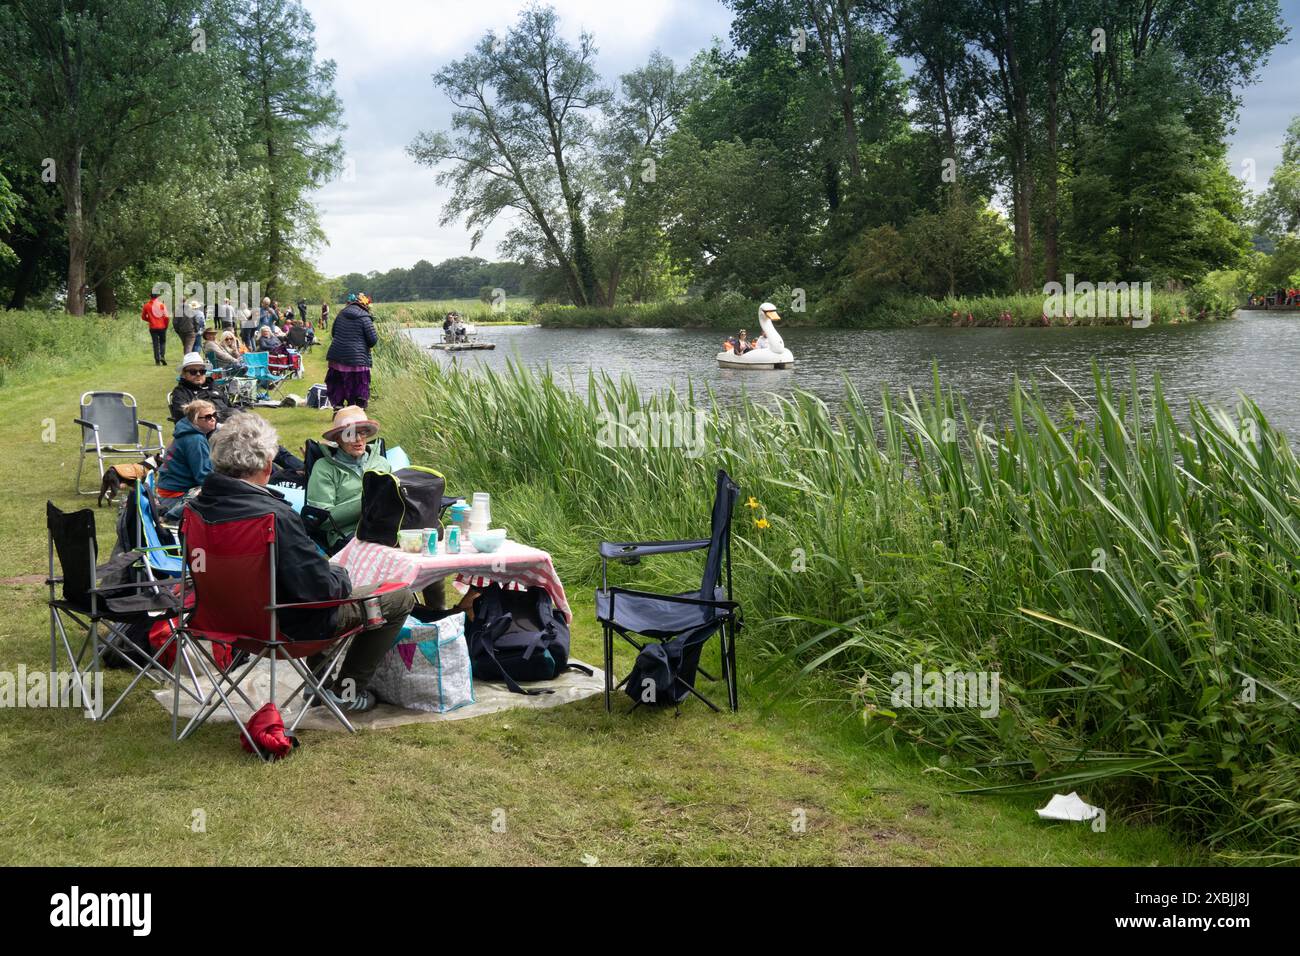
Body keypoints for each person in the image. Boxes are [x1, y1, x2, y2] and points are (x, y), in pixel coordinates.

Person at [190, 413, 415, 713]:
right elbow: (319, 591)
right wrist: (340, 575)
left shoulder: (196, 510)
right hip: (284, 629)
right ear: (269, 466)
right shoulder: (274, 517)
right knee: (399, 597)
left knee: (325, 591)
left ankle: (319, 686)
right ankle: (346, 691)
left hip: (224, 622)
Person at [306, 406, 391, 552]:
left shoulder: (381, 463)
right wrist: (367, 503)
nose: (358, 439)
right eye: (350, 434)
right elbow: (321, 519)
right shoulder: (324, 468)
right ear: (338, 438)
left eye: (362, 433)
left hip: (387, 528)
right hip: (346, 535)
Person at [156, 399, 217, 521]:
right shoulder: (195, 440)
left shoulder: (184, 432)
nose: (213, 419)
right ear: (195, 420)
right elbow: (203, 477)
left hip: (166, 490)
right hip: (176, 497)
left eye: (214, 415)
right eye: (208, 417)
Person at [325, 292, 378, 409]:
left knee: (338, 385)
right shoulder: (365, 317)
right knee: (358, 387)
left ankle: (338, 410)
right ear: (364, 306)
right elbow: (373, 340)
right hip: (357, 359)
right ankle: (357, 412)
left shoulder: (341, 314)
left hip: (337, 356)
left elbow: (334, 333)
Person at [170, 353, 233, 423]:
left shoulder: (214, 387)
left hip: (230, 422)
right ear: (184, 374)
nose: (198, 374)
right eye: (193, 372)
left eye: (202, 371)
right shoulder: (181, 392)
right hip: (207, 426)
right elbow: (182, 414)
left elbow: (229, 405)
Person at [141, 292, 170, 365]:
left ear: (150, 296)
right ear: (158, 297)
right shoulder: (161, 305)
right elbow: (166, 317)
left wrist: (150, 320)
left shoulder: (146, 305)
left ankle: (157, 360)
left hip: (153, 327)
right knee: (162, 342)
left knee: (155, 343)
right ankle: (162, 356)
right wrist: (166, 325)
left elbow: (143, 317)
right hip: (162, 326)